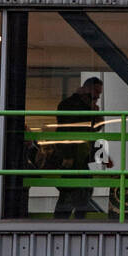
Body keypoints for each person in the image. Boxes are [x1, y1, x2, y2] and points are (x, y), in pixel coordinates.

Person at [52, 76, 110, 218]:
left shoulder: (86, 107)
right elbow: (69, 131)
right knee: (72, 191)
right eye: (96, 92)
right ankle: (67, 220)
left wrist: (95, 113)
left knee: (81, 190)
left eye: (99, 94)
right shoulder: (69, 105)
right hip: (71, 156)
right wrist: (68, 156)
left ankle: (72, 219)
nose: (97, 96)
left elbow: (95, 131)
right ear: (86, 90)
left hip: (80, 156)